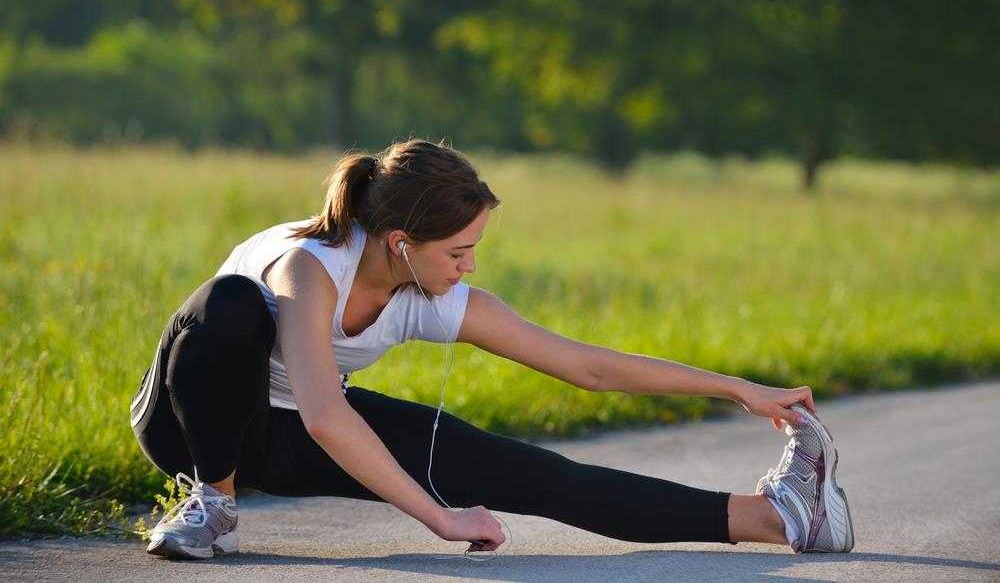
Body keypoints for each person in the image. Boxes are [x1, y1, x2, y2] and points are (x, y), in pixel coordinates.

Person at [130, 138, 854, 560]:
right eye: (461, 249)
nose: (470, 266)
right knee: (226, 307)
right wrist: (439, 517)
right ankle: (212, 505)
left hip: (284, 434)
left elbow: (587, 367)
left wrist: (736, 387)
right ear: (401, 244)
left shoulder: (427, 289)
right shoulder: (310, 268)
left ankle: (780, 515)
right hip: (189, 423)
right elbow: (324, 412)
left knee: (526, 470)